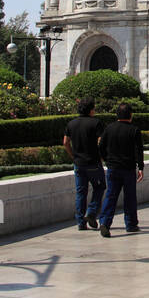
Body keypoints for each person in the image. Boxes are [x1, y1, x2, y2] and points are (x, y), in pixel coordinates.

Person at [96, 102, 145, 238]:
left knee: (110, 195)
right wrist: (140, 167)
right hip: (128, 168)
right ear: (130, 115)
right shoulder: (134, 130)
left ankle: (105, 222)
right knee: (130, 197)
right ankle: (131, 224)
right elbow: (138, 151)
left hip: (113, 168)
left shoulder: (109, 128)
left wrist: (106, 159)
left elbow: (101, 147)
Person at [63, 97, 105, 231]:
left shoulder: (71, 124)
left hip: (78, 163)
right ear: (91, 110)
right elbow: (101, 141)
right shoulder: (96, 123)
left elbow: (65, 142)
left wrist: (73, 155)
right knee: (100, 187)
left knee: (81, 192)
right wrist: (101, 155)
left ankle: (81, 222)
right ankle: (91, 212)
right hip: (93, 162)